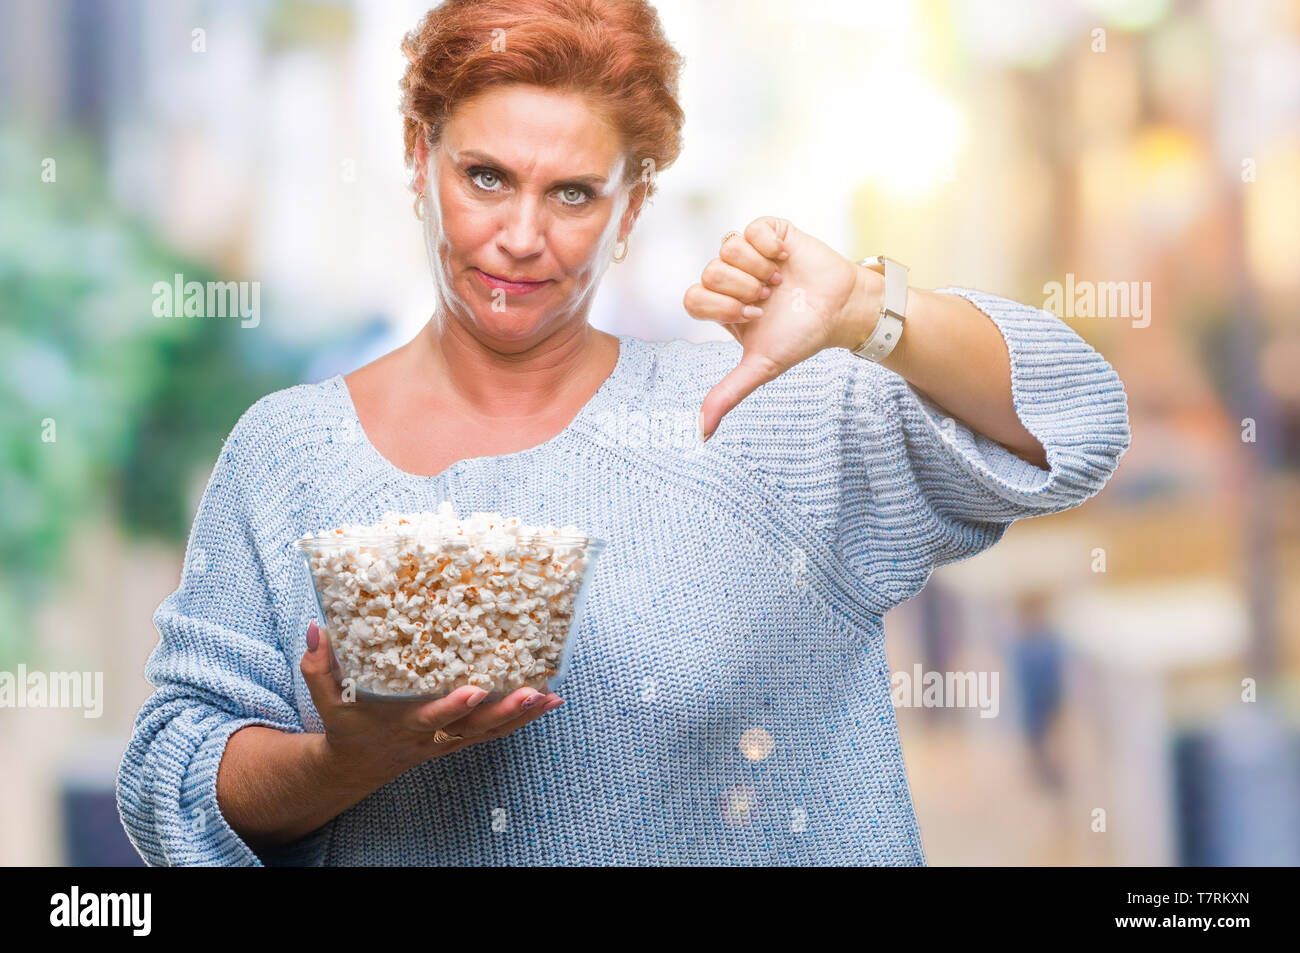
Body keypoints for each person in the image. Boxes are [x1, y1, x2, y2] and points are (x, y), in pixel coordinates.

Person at [116, 0, 1132, 866]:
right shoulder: (289, 454)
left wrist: (870, 307)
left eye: (572, 193)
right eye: (485, 177)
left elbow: (1075, 422)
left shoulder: (752, 416)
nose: (521, 235)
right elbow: (170, 780)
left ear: (631, 206)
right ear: (419, 157)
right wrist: (349, 757)